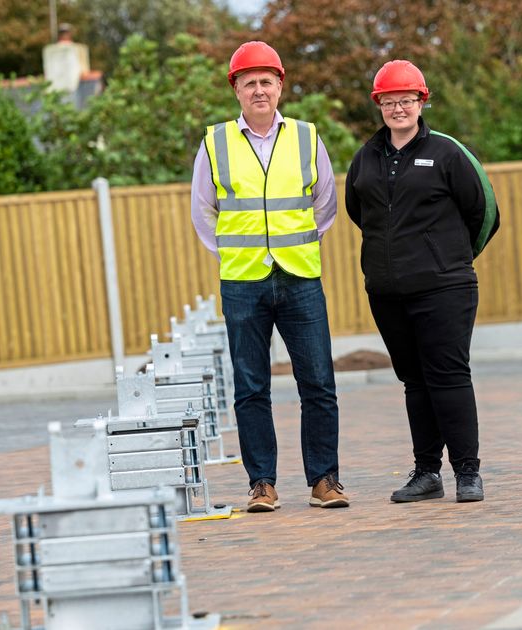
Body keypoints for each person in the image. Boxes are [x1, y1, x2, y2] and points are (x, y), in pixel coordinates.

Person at [190, 41, 348, 512]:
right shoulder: (214, 143)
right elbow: (203, 212)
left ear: (280, 86)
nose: (259, 90)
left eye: (267, 82)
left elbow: (325, 202)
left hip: (299, 276)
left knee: (318, 382)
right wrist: (238, 253)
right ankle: (262, 483)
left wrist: (295, 242)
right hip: (242, 282)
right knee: (250, 386)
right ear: (236, 90)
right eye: (249, 83)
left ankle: (324, 480)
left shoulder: (306, 136)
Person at [344, 60, 500, 503]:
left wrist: (449, 258)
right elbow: (362, 214)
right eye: (389, 101)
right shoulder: (366, 158)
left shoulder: (448, 153)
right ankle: (427, 473)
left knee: (448, 376)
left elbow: (485, 213)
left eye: (406, 100)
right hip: (388, 292)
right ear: (379, 105)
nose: (398, 108)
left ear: (421, 101)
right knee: (414, 381)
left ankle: (468, 473)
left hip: (445, 287)